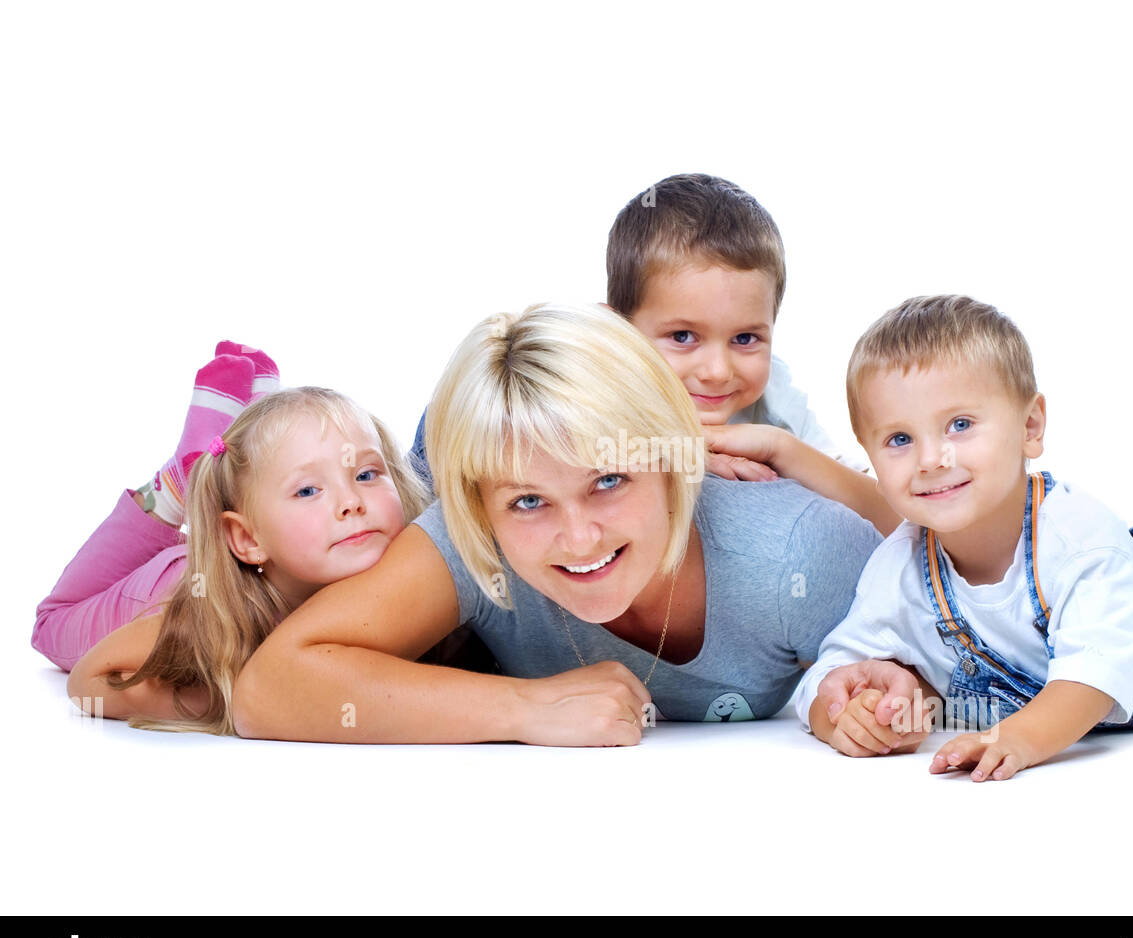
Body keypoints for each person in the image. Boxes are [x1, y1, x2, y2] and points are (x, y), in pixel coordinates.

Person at [231, 303, 881, 744]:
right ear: (481, 505)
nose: (579, 538)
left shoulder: (799, 551)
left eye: (608, 481)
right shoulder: (473, 540)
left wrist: (873, 700)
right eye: (528, 501)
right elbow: (267, 686)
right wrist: (526, 708)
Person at [794, 295, 1133, 779]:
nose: (931, 459)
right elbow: (830, 670)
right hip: (1040, 687)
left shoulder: (1078, 538)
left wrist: (1018, 737)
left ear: (1029, 426)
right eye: (899, 439)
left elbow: (1094, 672)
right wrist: (841, 712)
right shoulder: (899, 564)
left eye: (960, 425)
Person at [406, 173, 901, 534]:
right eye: (683, 337)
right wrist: (681, 448)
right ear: (617, 328)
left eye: (746, 339)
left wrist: (780, 448)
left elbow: (890, 516)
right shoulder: (586, 380)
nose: (717, 370)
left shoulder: (775, 402)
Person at [36, 351, 428, 734]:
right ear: (248, 538)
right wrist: (235, 699)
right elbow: (87, 682)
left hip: (216, 555)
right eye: (308, 490)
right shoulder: (205, 619)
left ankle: (242, 459)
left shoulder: (405, 574)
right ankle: (173, 487)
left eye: (366, 474)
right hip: (154, 592)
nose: (351, 503)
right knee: (50, 623)